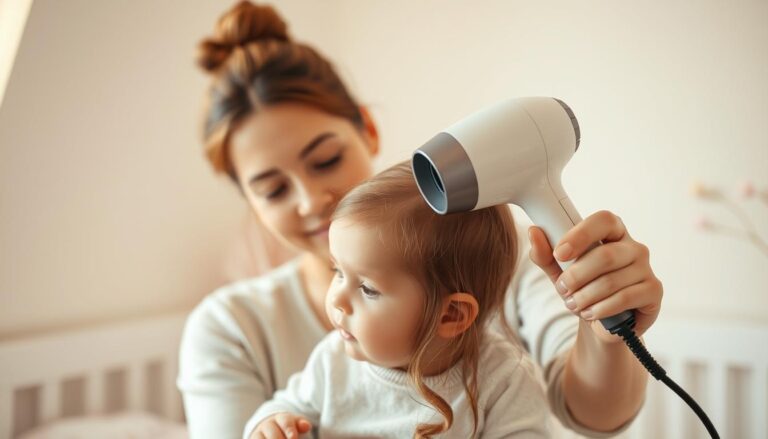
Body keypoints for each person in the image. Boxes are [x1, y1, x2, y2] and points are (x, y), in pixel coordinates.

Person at [178, 2, 664, 438]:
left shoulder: (507, 264)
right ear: (248, 199)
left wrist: (606, 327)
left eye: (325, 160)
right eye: (273, 189)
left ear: (367, 130)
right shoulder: (239, 332)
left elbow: (593, 414)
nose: (311, 201)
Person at [245, 162, 550, 438]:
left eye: (367, 288)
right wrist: (272, 423)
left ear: (451, 315)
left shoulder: (503, 381)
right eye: (337, 271)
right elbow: (286, 404)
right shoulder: (332, 360)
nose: (337, 298)